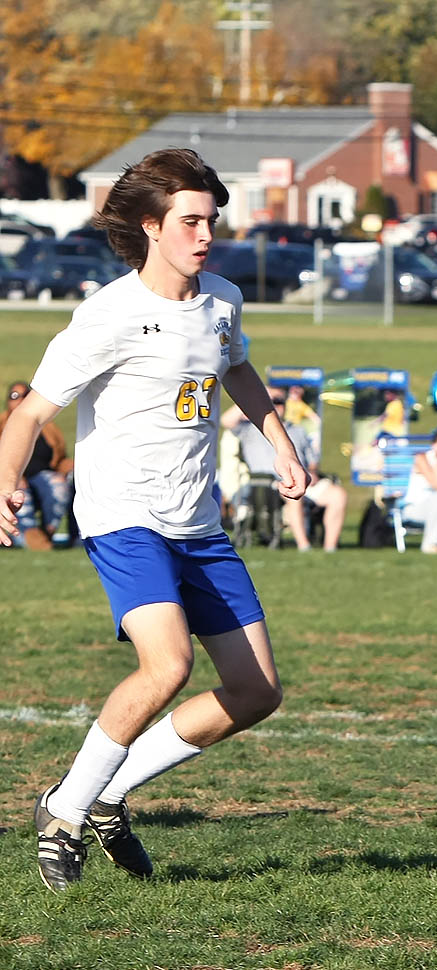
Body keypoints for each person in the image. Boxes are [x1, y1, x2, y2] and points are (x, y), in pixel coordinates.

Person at [0, 148, 311, 893]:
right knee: (167, 664)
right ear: (150, 226)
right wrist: (4, 477)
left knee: (256, 690)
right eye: (191, 221)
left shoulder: (225, 299)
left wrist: (280, 442)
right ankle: (65, 809)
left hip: (197, 520)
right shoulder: (107, 315)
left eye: (212, 220)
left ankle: (110, 788)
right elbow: (32, 409)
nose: (206, 235)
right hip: (123, 514)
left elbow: (234, 366)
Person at [224, 390, 348, 553]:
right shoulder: (251, 429)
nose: (276, 406)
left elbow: (311, 460)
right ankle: (304, 545)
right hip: (269, 484)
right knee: (293, 493)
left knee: (338, 495)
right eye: (271, 402)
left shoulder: (298, 430)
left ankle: (330, 548)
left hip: (303, 478)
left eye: (279, 402)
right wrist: (256, 394)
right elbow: (226, 420)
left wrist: (312, 472)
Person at [0, 381, 74, 548]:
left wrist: (69, 467)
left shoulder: (48, 428)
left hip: (41, 474)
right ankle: (26, 535)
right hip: (14, 479)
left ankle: (48, 532)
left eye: (25, 396)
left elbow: (60, 457)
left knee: (58, 486)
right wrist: (9, 478)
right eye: (15, 396)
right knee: (18, 492)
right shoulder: (2, 424)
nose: (20, 400)